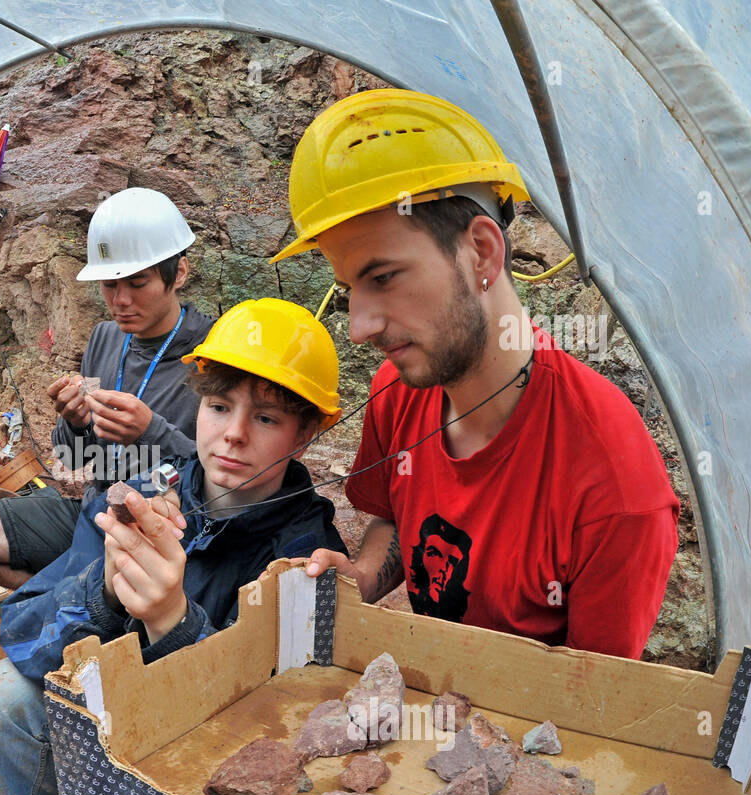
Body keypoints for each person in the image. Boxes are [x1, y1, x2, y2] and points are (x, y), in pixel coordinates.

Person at [0, 298, 347, 795]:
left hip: (188, 761)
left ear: (306, 434)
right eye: (219, 407)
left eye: (267, 417)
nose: (234, 434)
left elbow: (274, 738)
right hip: (108, 711)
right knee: (3, 693)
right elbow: (25, 627)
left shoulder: (306, 557)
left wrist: (175, 624)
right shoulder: (145, 488)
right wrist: (104, 594)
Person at [270, 89, 679, 658]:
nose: (359, 326)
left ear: (482, 252)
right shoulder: (398, 390)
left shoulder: (614, 484)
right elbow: (392, 519)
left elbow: (596, 708)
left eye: (383, 277)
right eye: (348, 289)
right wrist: (363, 577)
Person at [0, 187, 216, 590]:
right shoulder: (105, 339)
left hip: (166, 530)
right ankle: (68, 597)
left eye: (137, 282)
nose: (120, 300)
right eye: (108, 285)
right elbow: (78, 458)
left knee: (101, 587)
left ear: (181, 273)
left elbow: (224, 480)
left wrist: (151, 431)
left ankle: (74, 599)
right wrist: (74, 424)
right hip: (95, 510)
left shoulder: (214, 355)